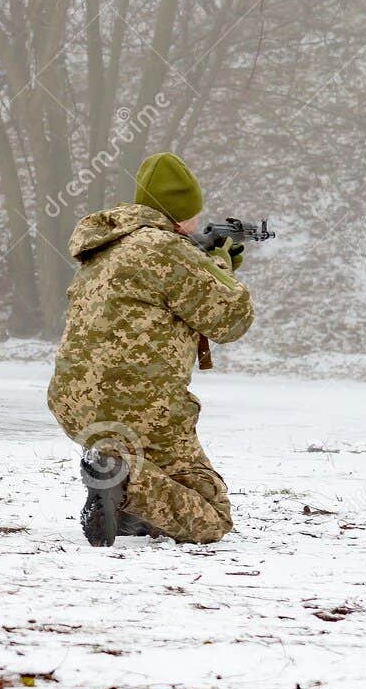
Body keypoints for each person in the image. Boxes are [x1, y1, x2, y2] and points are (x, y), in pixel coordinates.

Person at [47, 152, 254, 547]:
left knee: (162, 477)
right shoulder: (168, 250)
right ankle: (119, 477)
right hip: (144, 407)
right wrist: (221, 263)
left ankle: (125, 507)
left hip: (75, 407)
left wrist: (206, 261)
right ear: (179, 217)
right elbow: (231, 320)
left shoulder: (106, 246)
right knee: (211, 514)